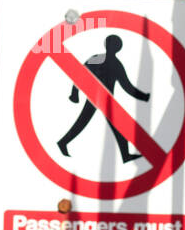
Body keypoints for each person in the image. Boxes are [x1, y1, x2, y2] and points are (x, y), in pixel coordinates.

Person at [57, 34, 149, 163]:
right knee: (85, 123)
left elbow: (127, 86)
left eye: (114, 45)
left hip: (106, 101)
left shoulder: (115, 65)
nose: (112, 47)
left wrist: (143, 96)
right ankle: (63, 143)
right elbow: (80, 74)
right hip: (96, 98)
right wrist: (74, 93)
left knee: (112, 125)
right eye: (112, 44)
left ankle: (125, 155)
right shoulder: (98, 60)